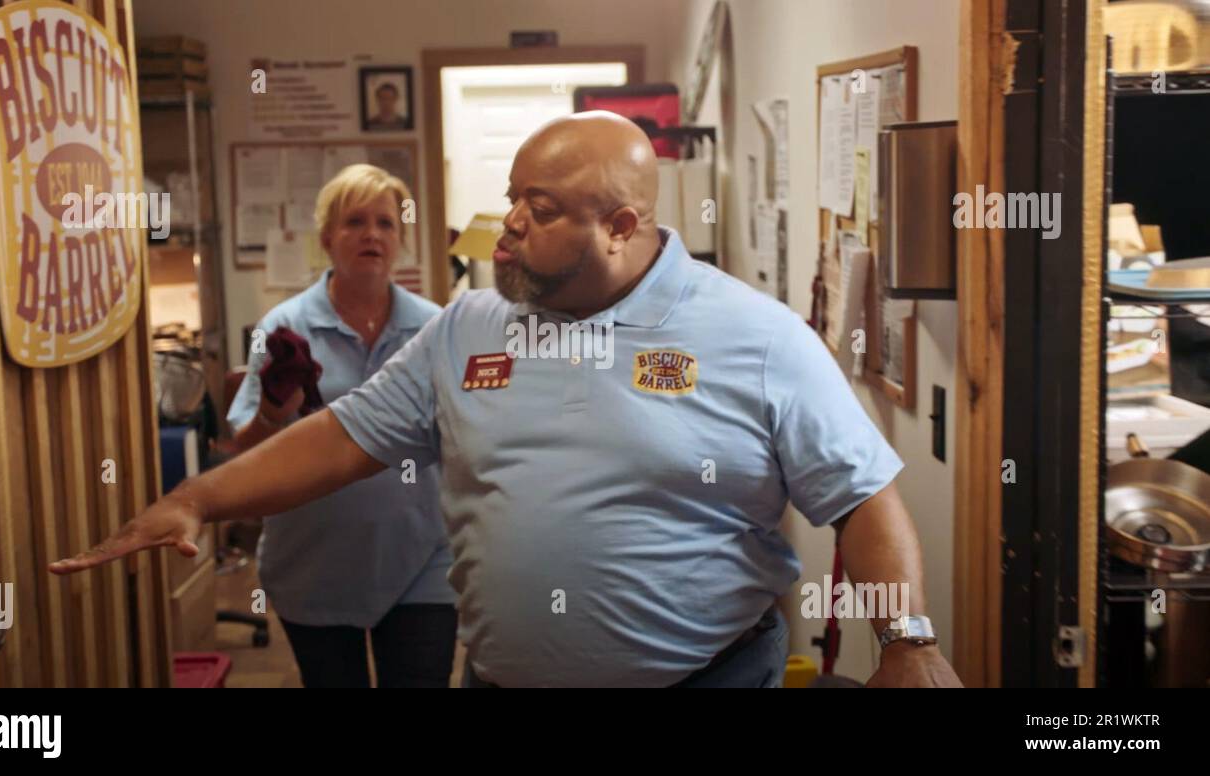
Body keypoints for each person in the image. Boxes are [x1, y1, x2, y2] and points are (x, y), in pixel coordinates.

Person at [54, 112, 962, 688]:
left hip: (708, 675)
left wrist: (907, 640)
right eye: (512, 200)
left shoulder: (755, 337)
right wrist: (197, 498)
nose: (510, 226)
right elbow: (345, 436)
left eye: (540, 207)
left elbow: (862, 496)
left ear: (620, 225)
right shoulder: (468, 327)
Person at [225, 163, 455, 687]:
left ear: (400, 240)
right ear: (328, 239)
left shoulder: (436, 327)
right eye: (354, 222)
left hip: (422, 559)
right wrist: (272, 414)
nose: (371, 234)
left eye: (385, 223)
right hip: (313, 565)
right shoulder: (281, 328)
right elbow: (245, 448)